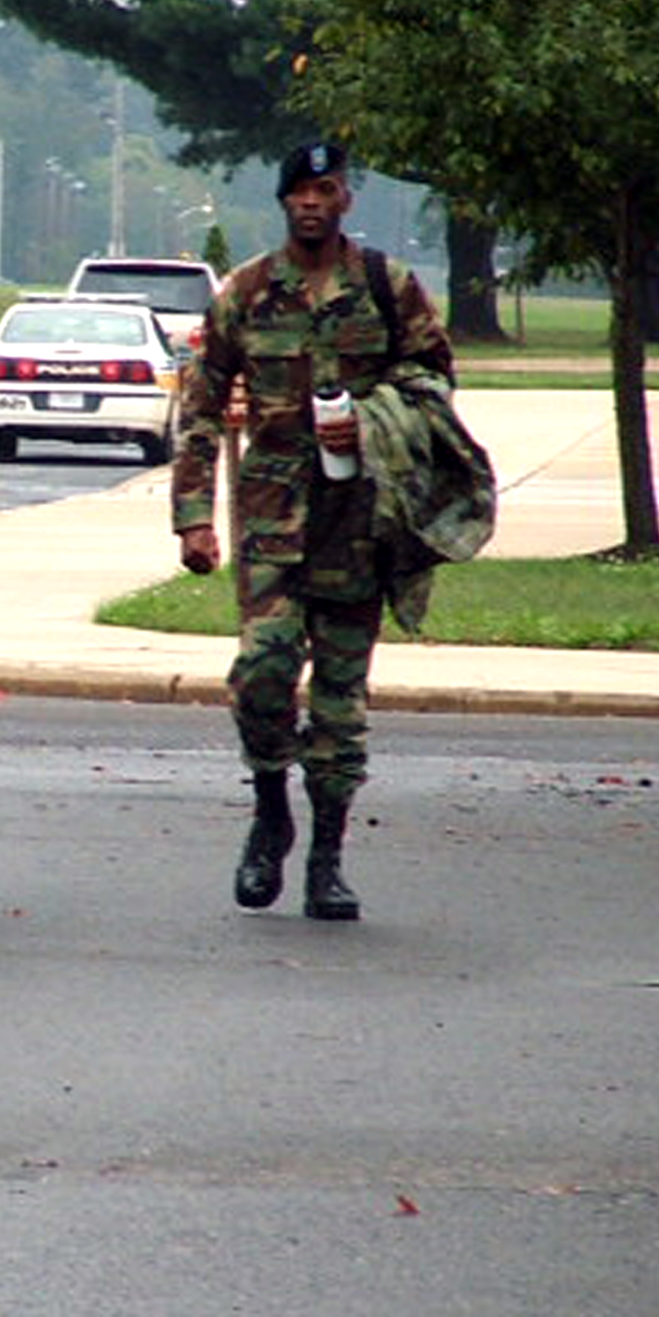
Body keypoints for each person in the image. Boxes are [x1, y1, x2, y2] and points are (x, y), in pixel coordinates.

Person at [172, 140, 455, 922]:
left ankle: (327, 860)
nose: (310, 202)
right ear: (283, 202)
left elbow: (434, 379)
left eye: (324, 189)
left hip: (359, 522)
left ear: (344, 201)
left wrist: (368, 422)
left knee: (339, 702)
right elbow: (200, 405)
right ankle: (271, 807)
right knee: (261, 674)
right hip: (272, 518)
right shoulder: (248, 293)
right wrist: (193, 518)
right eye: (297, 190)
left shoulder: (386, 287)